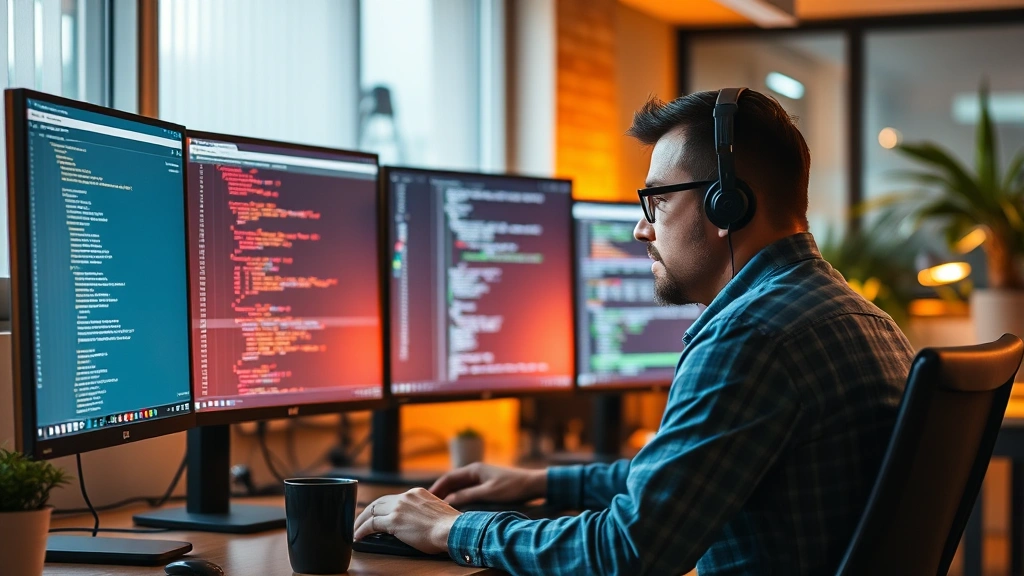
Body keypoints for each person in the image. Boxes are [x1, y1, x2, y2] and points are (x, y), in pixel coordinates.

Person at [353, 88, 916, 575]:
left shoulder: (751, 337)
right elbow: (686, 476)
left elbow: (628, 551)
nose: (641, 228)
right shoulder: (861, 318)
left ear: (728, 204)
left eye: (658, 200)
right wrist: (540, 481)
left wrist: (453, 530)